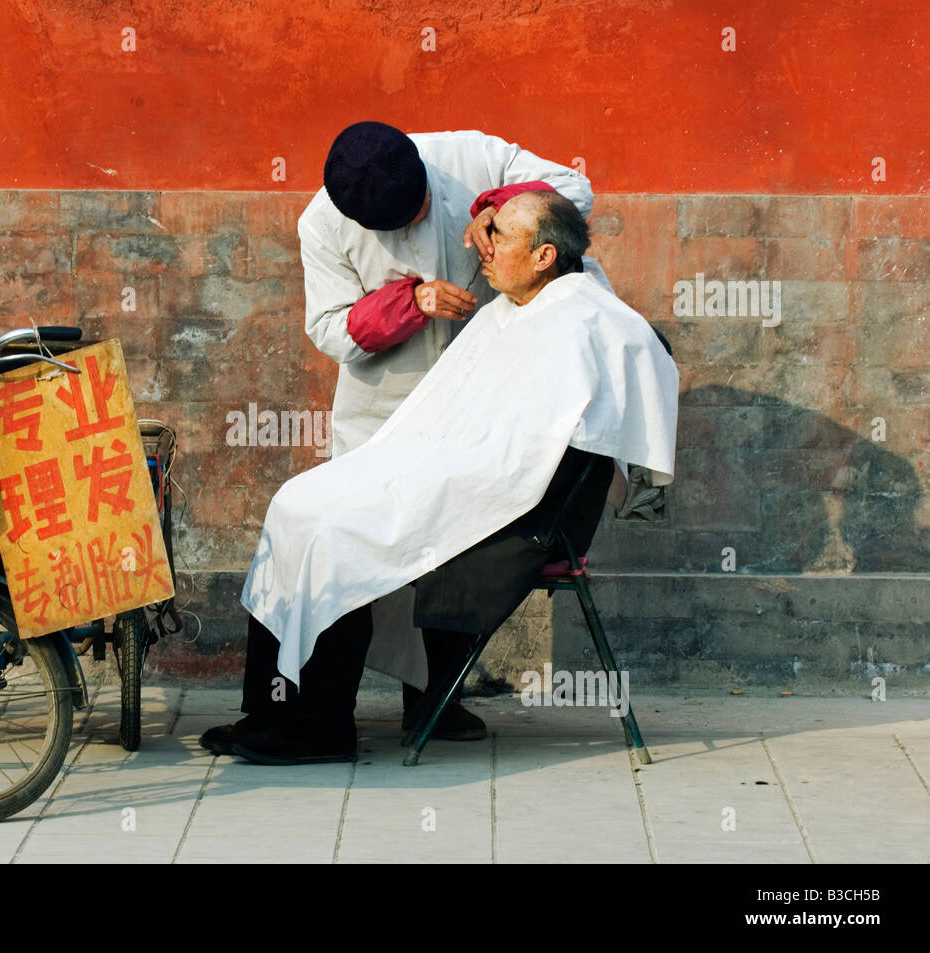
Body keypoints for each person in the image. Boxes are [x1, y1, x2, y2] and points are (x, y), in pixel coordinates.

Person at [201, 190, 678, 764]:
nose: (484, 245)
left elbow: (526, 456)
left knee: (334, 530)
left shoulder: (585, 322)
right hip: (453, 470)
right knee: (296, 505)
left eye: (499, 235)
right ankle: (273, 711)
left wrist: (429, 475)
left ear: (545, 257)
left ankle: (322, 727)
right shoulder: (516, 309)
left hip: (514, 511)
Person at [300, 121, 614, 740]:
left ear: (422, 169)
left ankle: (434, 701)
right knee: (364, 547)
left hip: (489, 402)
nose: (415, 227)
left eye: (421, 210)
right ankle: (325, 713)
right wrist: (408, 304)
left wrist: (495, 207)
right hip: (387, 410)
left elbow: (573, 190)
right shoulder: (323, 222)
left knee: (458, 544)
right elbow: (330, 330)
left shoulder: (471, 155)